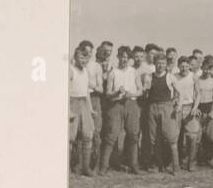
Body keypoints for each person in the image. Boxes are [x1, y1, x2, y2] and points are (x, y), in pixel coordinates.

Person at [97, 46, 140, 174]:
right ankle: (103, 166)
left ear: (129, 59)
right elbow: (107, 93)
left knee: (133, 135)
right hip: (115, 105)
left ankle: (134, 165)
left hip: (131, 103)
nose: (124, 60)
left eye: (127, 57)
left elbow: (141, 90)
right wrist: (116, 93)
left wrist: (130, 93)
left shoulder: (134, 72)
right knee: (112, 135)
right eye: (122, 57)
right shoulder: (113, 72)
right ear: (118, 57)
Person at [143, 52, 181, 174]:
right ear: (154, 64)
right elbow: (146, 93)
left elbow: (179, 93)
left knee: (171, 138)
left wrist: (177, 106)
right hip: (152, 107)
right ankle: (157, 165)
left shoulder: (170, 77)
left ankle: (176, 166)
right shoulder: (149, 77)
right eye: (158, 63)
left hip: (167, 107)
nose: (160, 65)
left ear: (166, 64)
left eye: (163, 63)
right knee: (154, 138)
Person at [67, 44, 95, 176]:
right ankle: (67, 168)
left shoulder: (86, 71)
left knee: (88, 136)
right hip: (73, 102)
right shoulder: (70, 70)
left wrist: (90, 109)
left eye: (86, 58)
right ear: (76, 56)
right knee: (70, 138)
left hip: (84, 103)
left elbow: (87, 92)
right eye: (81, 57)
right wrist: (68, 111)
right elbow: (65, 92)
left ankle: (86, 168)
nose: (84, 60)